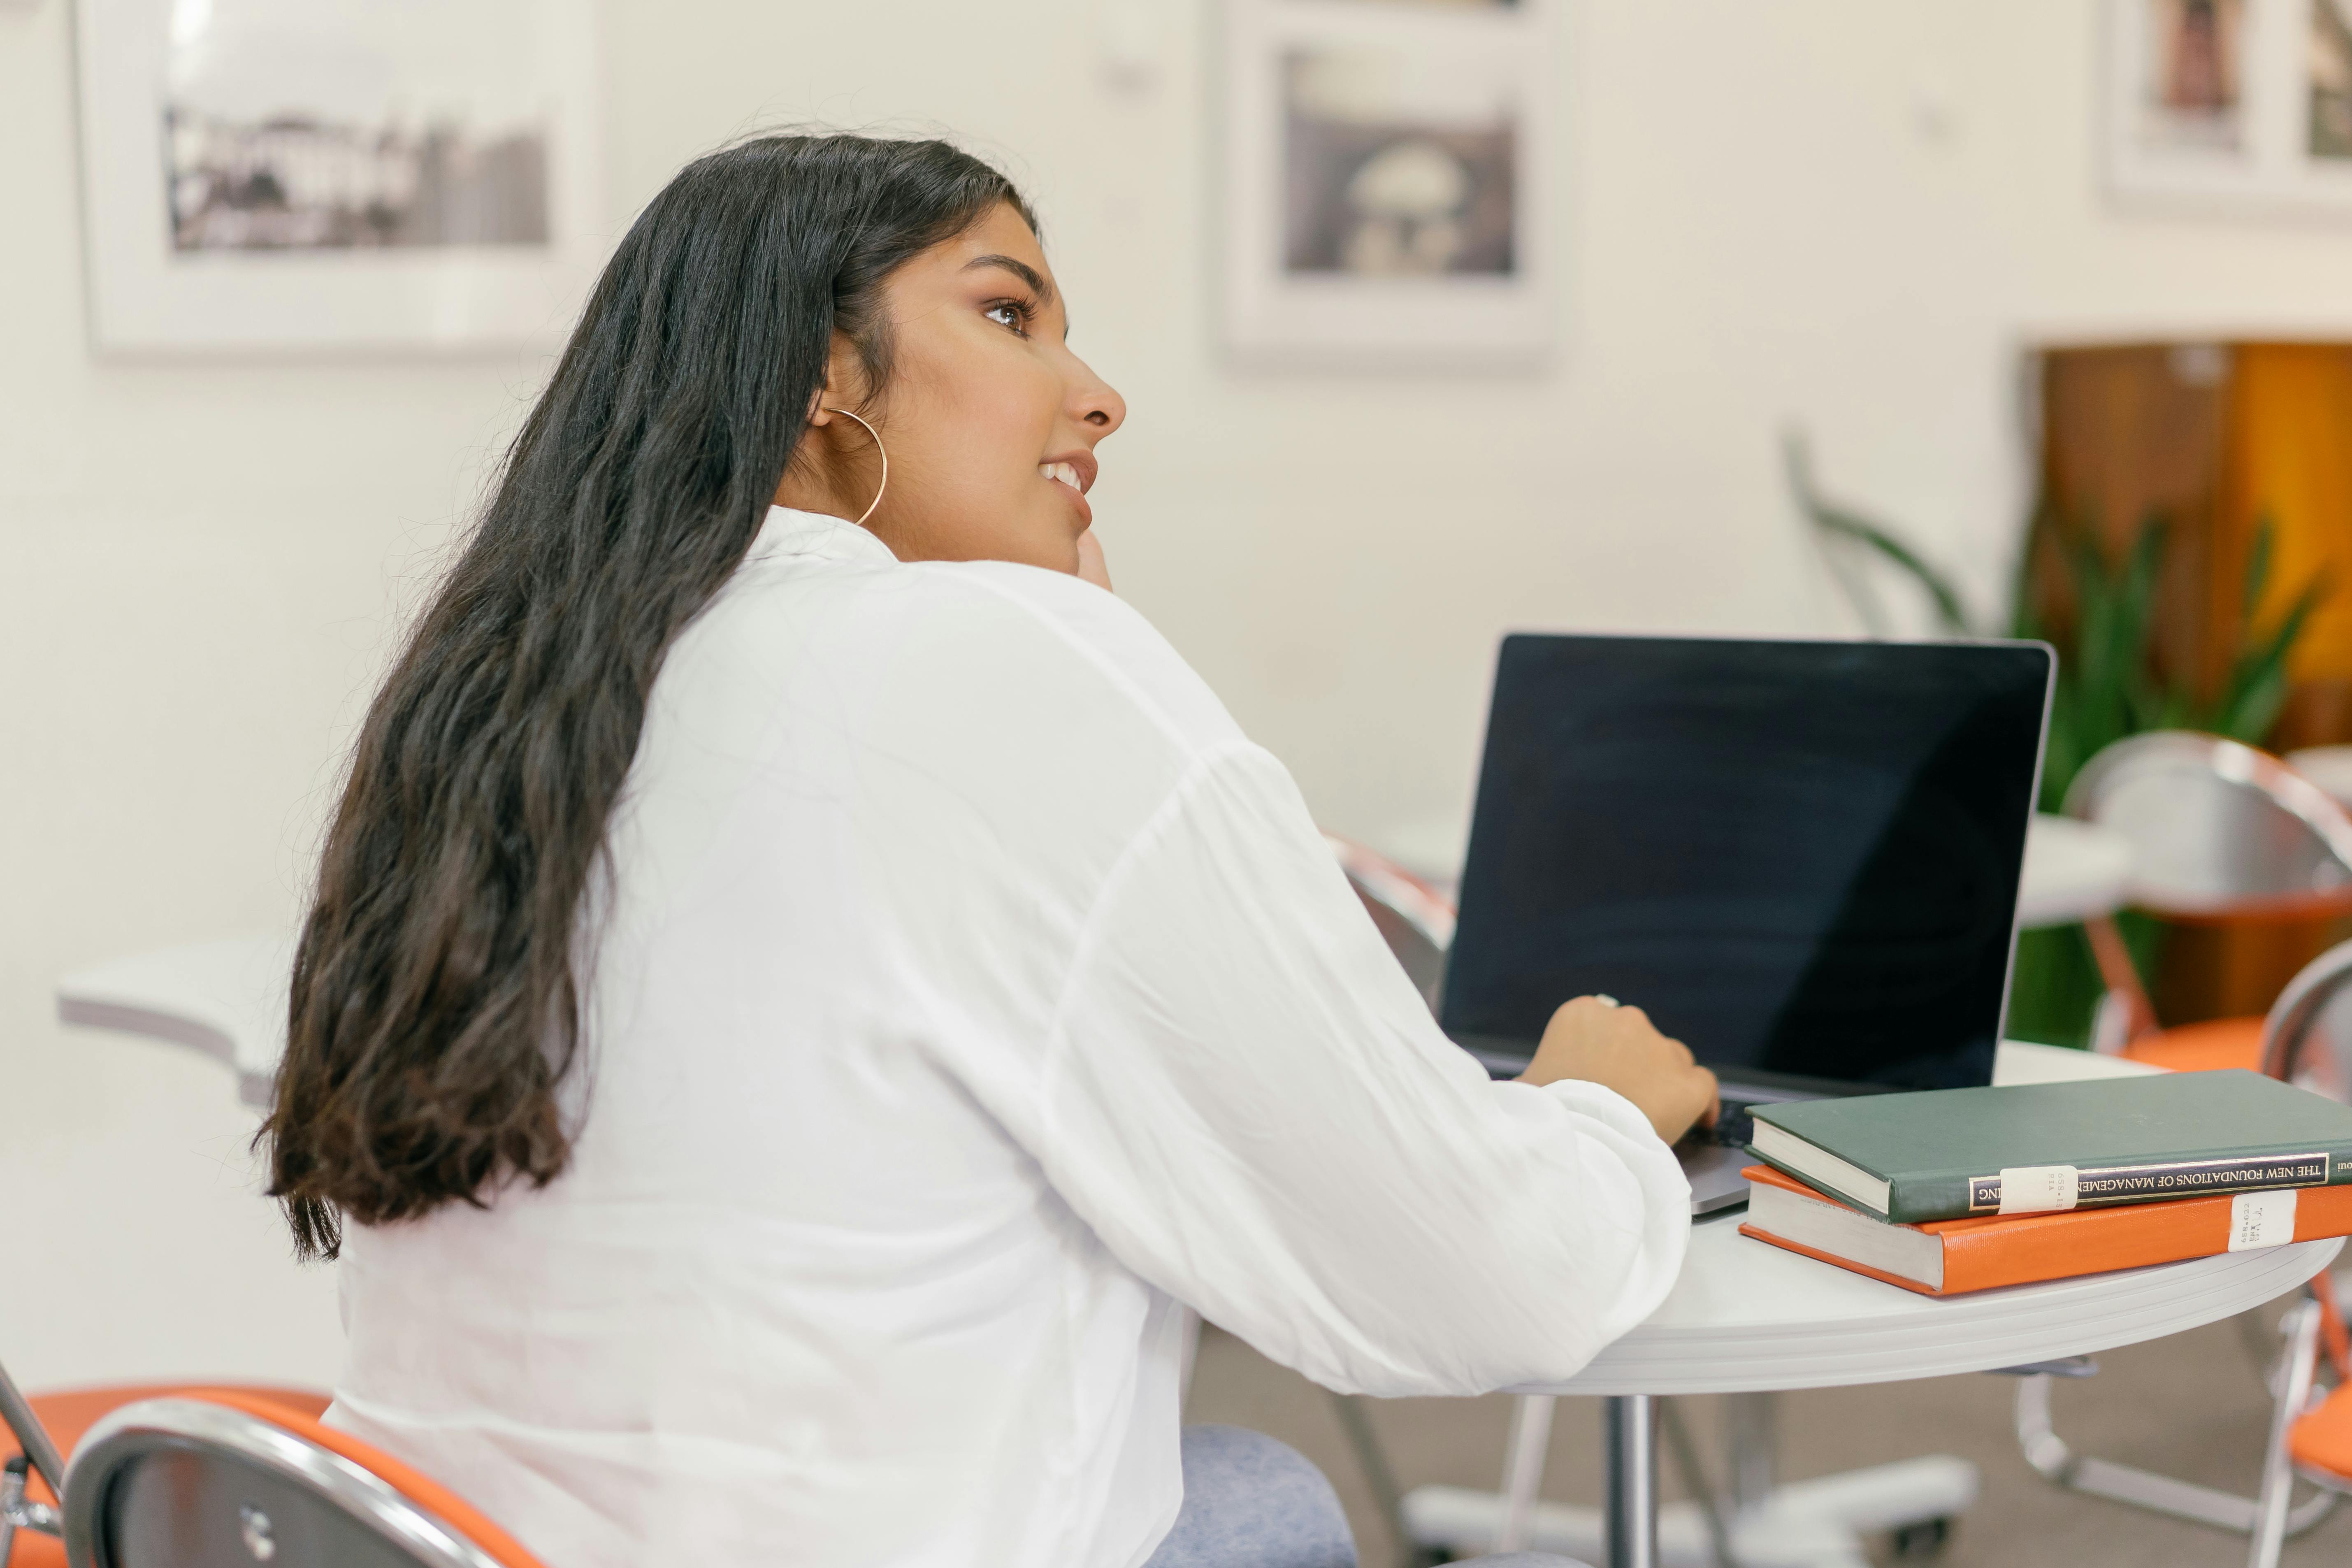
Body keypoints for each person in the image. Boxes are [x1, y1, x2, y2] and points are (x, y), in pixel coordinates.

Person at [261, 133, 1717, 1568]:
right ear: (825, 375)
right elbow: (1469, 1280)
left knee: (1244, 1485)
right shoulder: (1004, 662)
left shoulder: (512, 705)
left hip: (450, 1542)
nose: (1099, 397)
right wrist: (1589, 1112)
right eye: (1008, 314)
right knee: (1270, 1506)